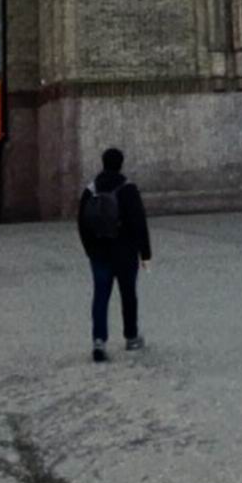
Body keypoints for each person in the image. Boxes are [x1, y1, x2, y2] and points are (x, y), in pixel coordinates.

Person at [78, 147, 152, 362]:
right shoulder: (128, 189)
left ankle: (99, 341)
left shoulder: (90, 190)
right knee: (128, 294)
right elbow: (139, 223)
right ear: (121, 164)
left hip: (99, 253)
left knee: (100, 296)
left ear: (103, 163)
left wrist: (90, 250)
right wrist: (145, 253)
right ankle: (131, 337)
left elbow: (82, 223)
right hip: (125, 252)